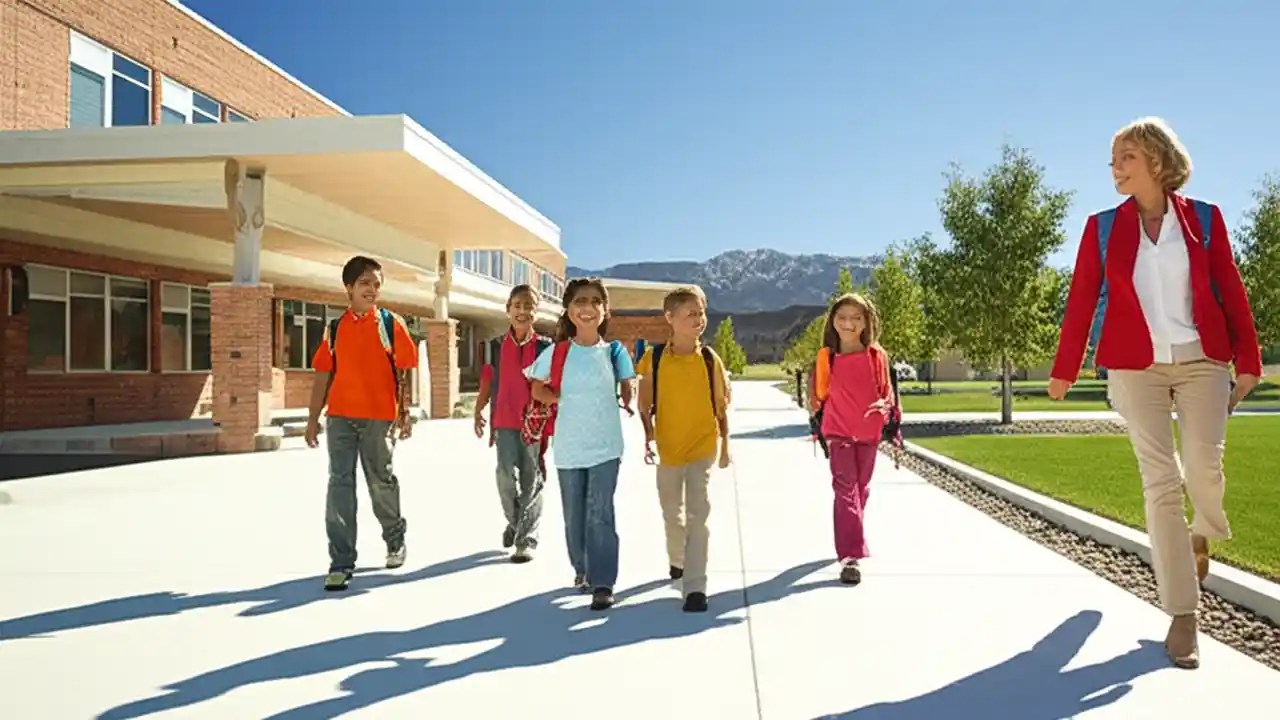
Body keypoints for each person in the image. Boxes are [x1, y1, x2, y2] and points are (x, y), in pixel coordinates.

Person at [1048, 117, 1262, 669]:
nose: (1116, 170)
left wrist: (1250, 361)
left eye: (1127, 159)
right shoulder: (1101, 229)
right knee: (1160, 479)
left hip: (1202, 359)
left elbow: (1232, 293)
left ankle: (1202, 533)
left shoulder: (1206, 221)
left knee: (1203, 466)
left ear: (1159, 161)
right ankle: (1184, 615)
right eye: (1113, 161)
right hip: (1134, 367)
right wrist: (1064, 369)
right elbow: (1081, 300)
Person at [305, 255, 418, 592]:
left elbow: (403, 370)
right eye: (366, 283)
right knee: (339, 486)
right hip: (340, 417)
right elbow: (323, 374)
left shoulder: (390, 323)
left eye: (377, 284)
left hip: (378, 418)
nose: (373, 289)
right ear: (349, 287)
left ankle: (395, 539)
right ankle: (340, 561)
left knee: (381, 481)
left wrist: (405, 412)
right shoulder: (335, 328)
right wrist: (312, 419)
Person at [525, 278, 636, 610]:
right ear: (569, 310)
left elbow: (627, 384)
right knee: (575, 515)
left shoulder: (614, 352)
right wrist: (551, 394)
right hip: (570, 447)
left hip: (606, 446)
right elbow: (535, 386)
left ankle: (603, 581)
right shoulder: (557, 352)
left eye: (594, 302)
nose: (587, 308)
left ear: (605, 310)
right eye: (579, 302)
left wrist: (628, 396)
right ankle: (583, 569)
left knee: (600, 513)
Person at [636, 286, 732, 613]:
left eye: (701, 312)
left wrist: (725, 448)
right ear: (670, 318)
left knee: (698, 514)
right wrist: (648, 436)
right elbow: (644, 402)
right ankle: (677, 560)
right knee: (671, 514)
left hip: (703, 445)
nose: (699, 319)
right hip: (669, 449)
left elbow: (721, 408)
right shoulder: (655, 358)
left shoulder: (710, 360)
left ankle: (695, 587)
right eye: (690, 313)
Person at [807, 293, 894, 586]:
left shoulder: (876, 356)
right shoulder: (826, 357)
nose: (849, 323)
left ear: (866, 322)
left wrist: (885, 407)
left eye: (857, 317)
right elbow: (818, 395)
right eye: (843, 317)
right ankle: (850, 557)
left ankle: (849, 536)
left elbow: (887, 392)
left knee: (861, 489)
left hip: (869, 432)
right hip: (838, 431)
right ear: (833, 320)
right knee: (845, 489)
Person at [474, 285, 551, 563]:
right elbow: (487, 380)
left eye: (529, 305)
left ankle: (526, 538)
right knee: (505, 475)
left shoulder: (545, 347)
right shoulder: (495, 347)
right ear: (508, 310)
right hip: (504, 420)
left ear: (536, 311)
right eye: (517, 305)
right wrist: (478, 409)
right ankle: (516, 521)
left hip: (535, 422)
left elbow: (554, 384)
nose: (523, 311)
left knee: (532, 477)